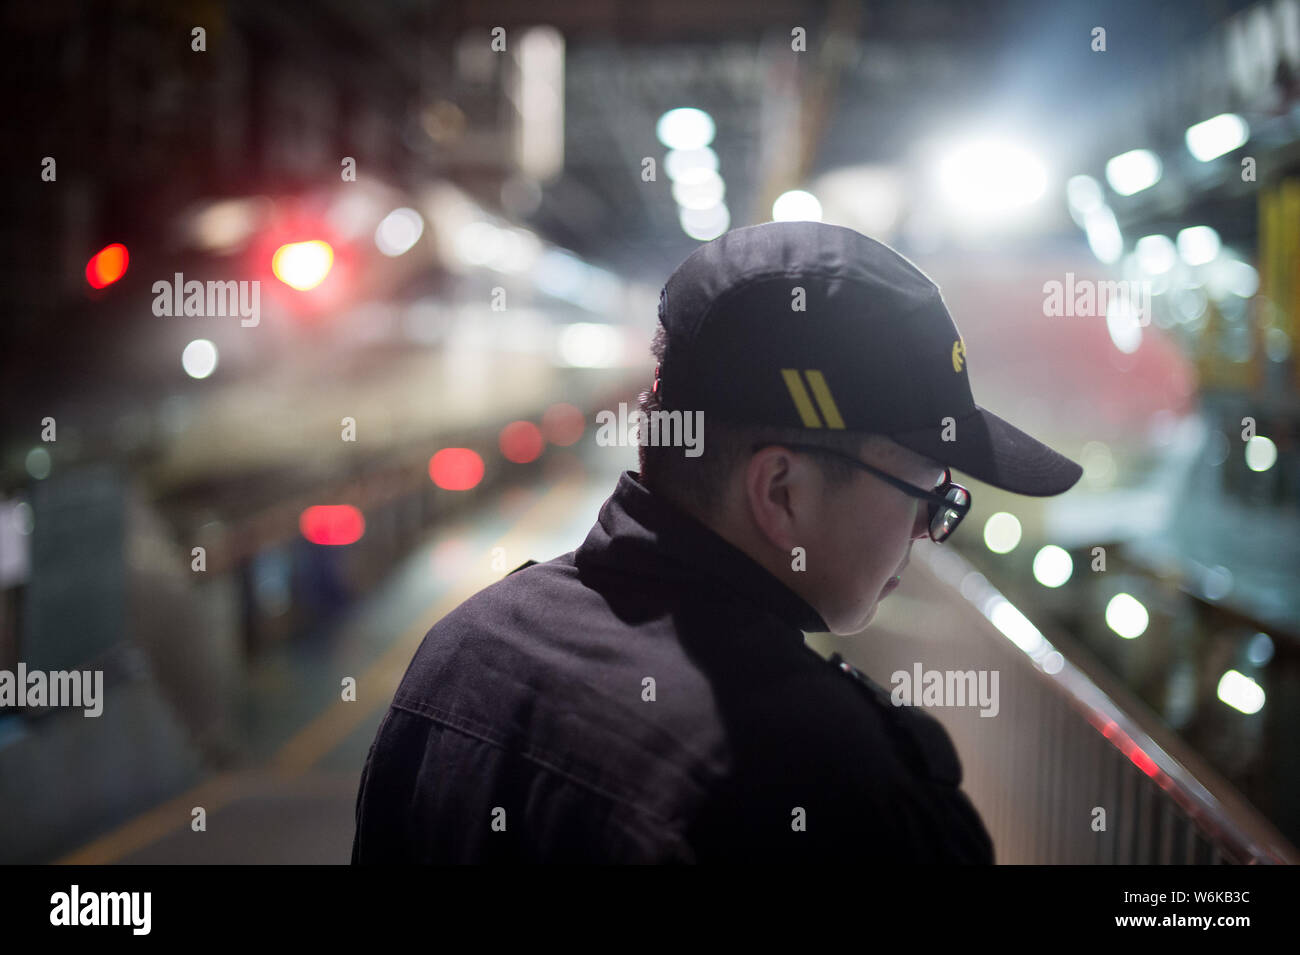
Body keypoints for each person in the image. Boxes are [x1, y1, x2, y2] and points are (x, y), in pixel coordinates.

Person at [351, 220, 1082, 863]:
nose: (931, 528)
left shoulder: (459, 653)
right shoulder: (833, 786)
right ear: (780, 491)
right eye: (930, 494)